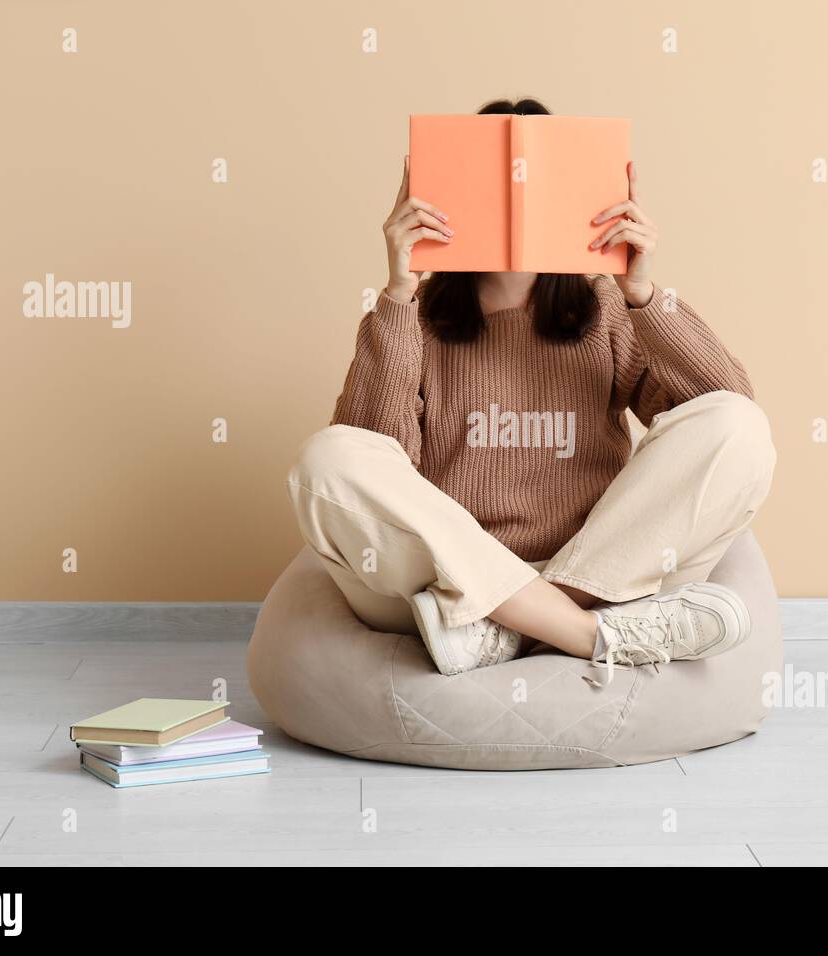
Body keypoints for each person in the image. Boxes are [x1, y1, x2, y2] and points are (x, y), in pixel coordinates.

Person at [289, 98, 775, 683]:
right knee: (328, 456)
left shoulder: (608, 309)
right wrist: (397, 290)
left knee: (736, 423)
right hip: (445, 583)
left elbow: (727, 406)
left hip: (597, 572)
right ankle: (582, 635)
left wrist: (641, 291)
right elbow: (374, 457)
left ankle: (511, 628)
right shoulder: (410, 319)